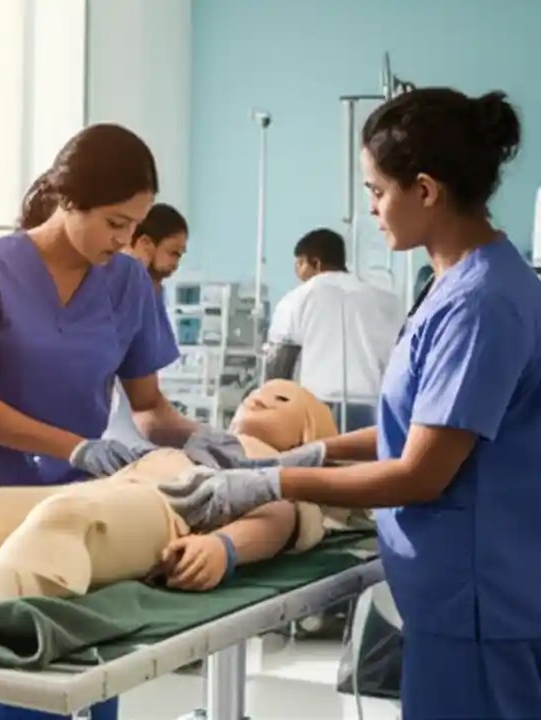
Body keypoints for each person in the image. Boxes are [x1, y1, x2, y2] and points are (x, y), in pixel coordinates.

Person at [164, 88, 541, 719]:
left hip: (476, 602)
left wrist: (268, 486)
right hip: (458, 594)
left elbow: (421, 471)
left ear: (425, 190)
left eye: (375, 191)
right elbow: (422, 429)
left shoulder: (482, 304)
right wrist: (308, 452)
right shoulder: (455, 284)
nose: (369, 210)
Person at [0, 125, 202, 720]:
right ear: (68, 200)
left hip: (70, 511)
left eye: (135, 225)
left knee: (58, 680)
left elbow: (149, 408)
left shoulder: (129, 282)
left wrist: (199, 436)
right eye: (113, 222)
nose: (125, 239)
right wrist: (77, 446)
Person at [0, 379, 340, 635]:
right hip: (117, 489)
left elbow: (281, 516)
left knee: (64, 522)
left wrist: (224, 548)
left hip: (168, 514)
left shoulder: (282, 466)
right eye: (257, 390)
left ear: (309, 429)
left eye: (282, 398)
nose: (259, 397)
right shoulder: (203, 444)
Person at [265, 228, 404, 430]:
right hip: (375, 409)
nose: (297, 271)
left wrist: (270, 411)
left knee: (323, 458)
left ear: (316, 263)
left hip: (319, 406)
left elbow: (279, 366)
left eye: (300, 263)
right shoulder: (386, 300)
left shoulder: (298, 299)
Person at [104, 203, 189, 444]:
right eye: (173, 253)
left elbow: (145, 393)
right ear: (144, 244)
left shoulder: (151, 291)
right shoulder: (117, 284)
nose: (176, 263)